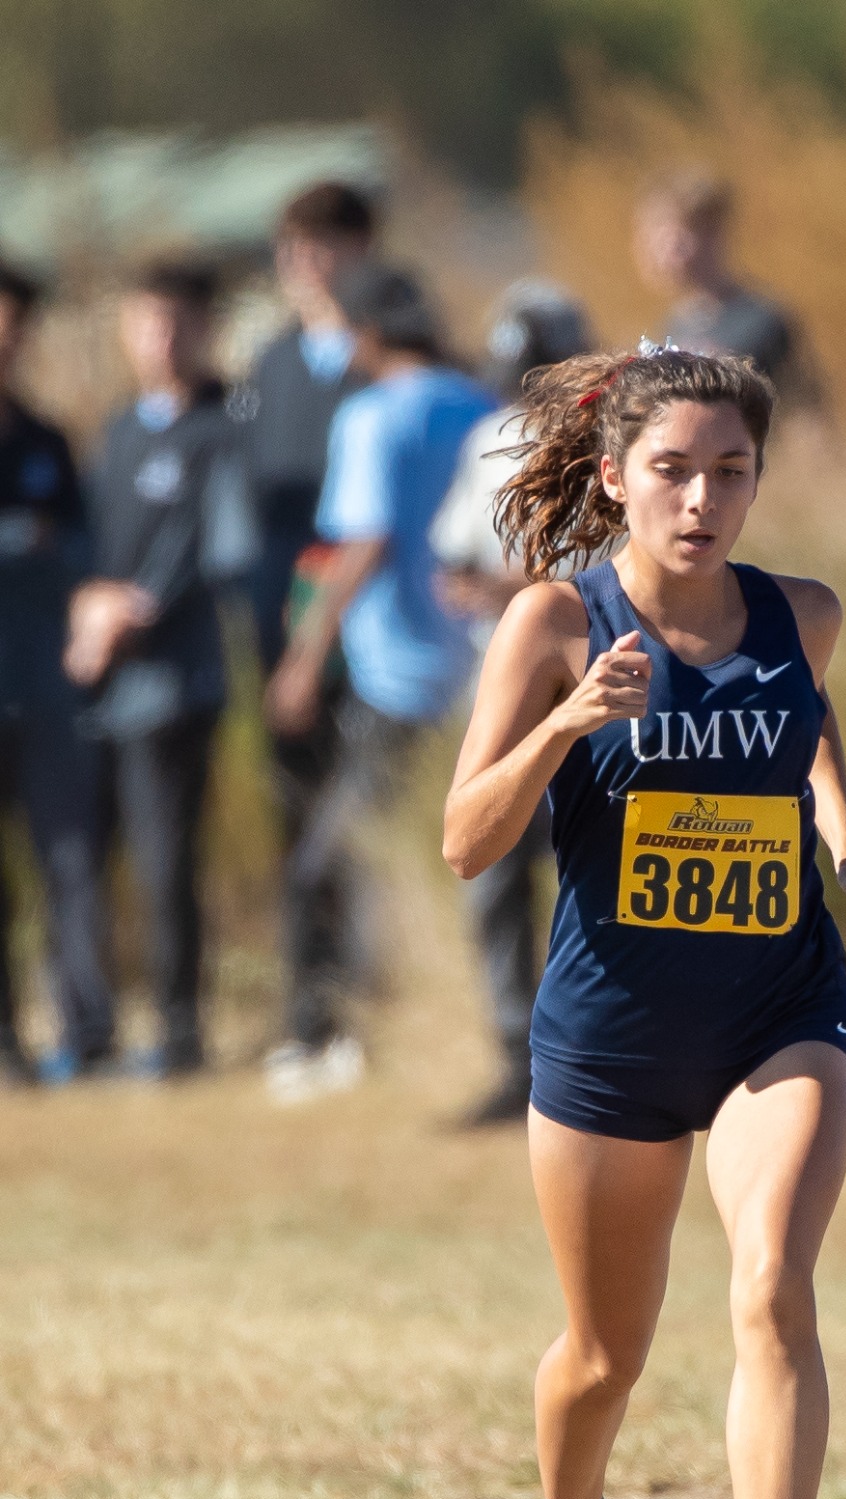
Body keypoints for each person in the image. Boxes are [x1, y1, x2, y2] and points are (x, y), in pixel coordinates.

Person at [442, 345, 846, 1499]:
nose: (702, 500)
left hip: (780, 1008)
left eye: (731, 472)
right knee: (603, 1354)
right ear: (613, 478)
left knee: (771, 1290)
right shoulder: (555, 624)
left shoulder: (802, 612)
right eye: (673, 472)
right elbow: (467, 842)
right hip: (614, 1037)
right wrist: (570, 723)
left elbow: (800, 724)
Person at [265, 263, 495, 1083]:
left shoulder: (371, 417)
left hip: (396, 678)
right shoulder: (482, 403)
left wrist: (303, 655)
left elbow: (361, 541)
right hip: (481, 677)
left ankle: (332, 1029)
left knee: (334, 859)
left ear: (364, 332)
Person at [66, 261, 258, 1079]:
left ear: (205, 328)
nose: (163, 338)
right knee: (82, 858)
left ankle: (180, 1031)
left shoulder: (223, 430)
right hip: (97, 684)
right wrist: (87, 606)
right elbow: (88, 545)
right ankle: (89, 1025)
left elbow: (214, 552)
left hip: (176, 684)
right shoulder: (117, 431)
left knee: (164, 860)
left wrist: (126, 610)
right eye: (148, 321)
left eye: (178, 321)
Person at [431, 280, 596, 1125]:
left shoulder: (623, 446)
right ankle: (514, 1054)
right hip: (500, 690)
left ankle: (595, 1051)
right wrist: (487, 589)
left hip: (599, 697)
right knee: (492, 872)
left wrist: (539, 593)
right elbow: (452, 561)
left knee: (590, 871)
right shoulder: (490, 439)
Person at [238, 181, 375, 1085]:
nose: (305, 266)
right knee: (298, 822)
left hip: (369, 641)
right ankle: (307, 1012)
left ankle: (365, 1007)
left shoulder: (385, 361)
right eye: (292, 249)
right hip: (282, 631)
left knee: (361, 826)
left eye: (322, 247)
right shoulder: (270, 366)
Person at [0, 262, 113, 1085]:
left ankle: (89, 1034)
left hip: (44, 690)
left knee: (71, 863)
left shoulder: (47, 444)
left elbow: (82, 553)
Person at [633, 174, 820, 404]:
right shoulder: (672, 327)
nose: (657, 253)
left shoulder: (762, 323)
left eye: (670, 238)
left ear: (711, 235)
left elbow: (805, 412)